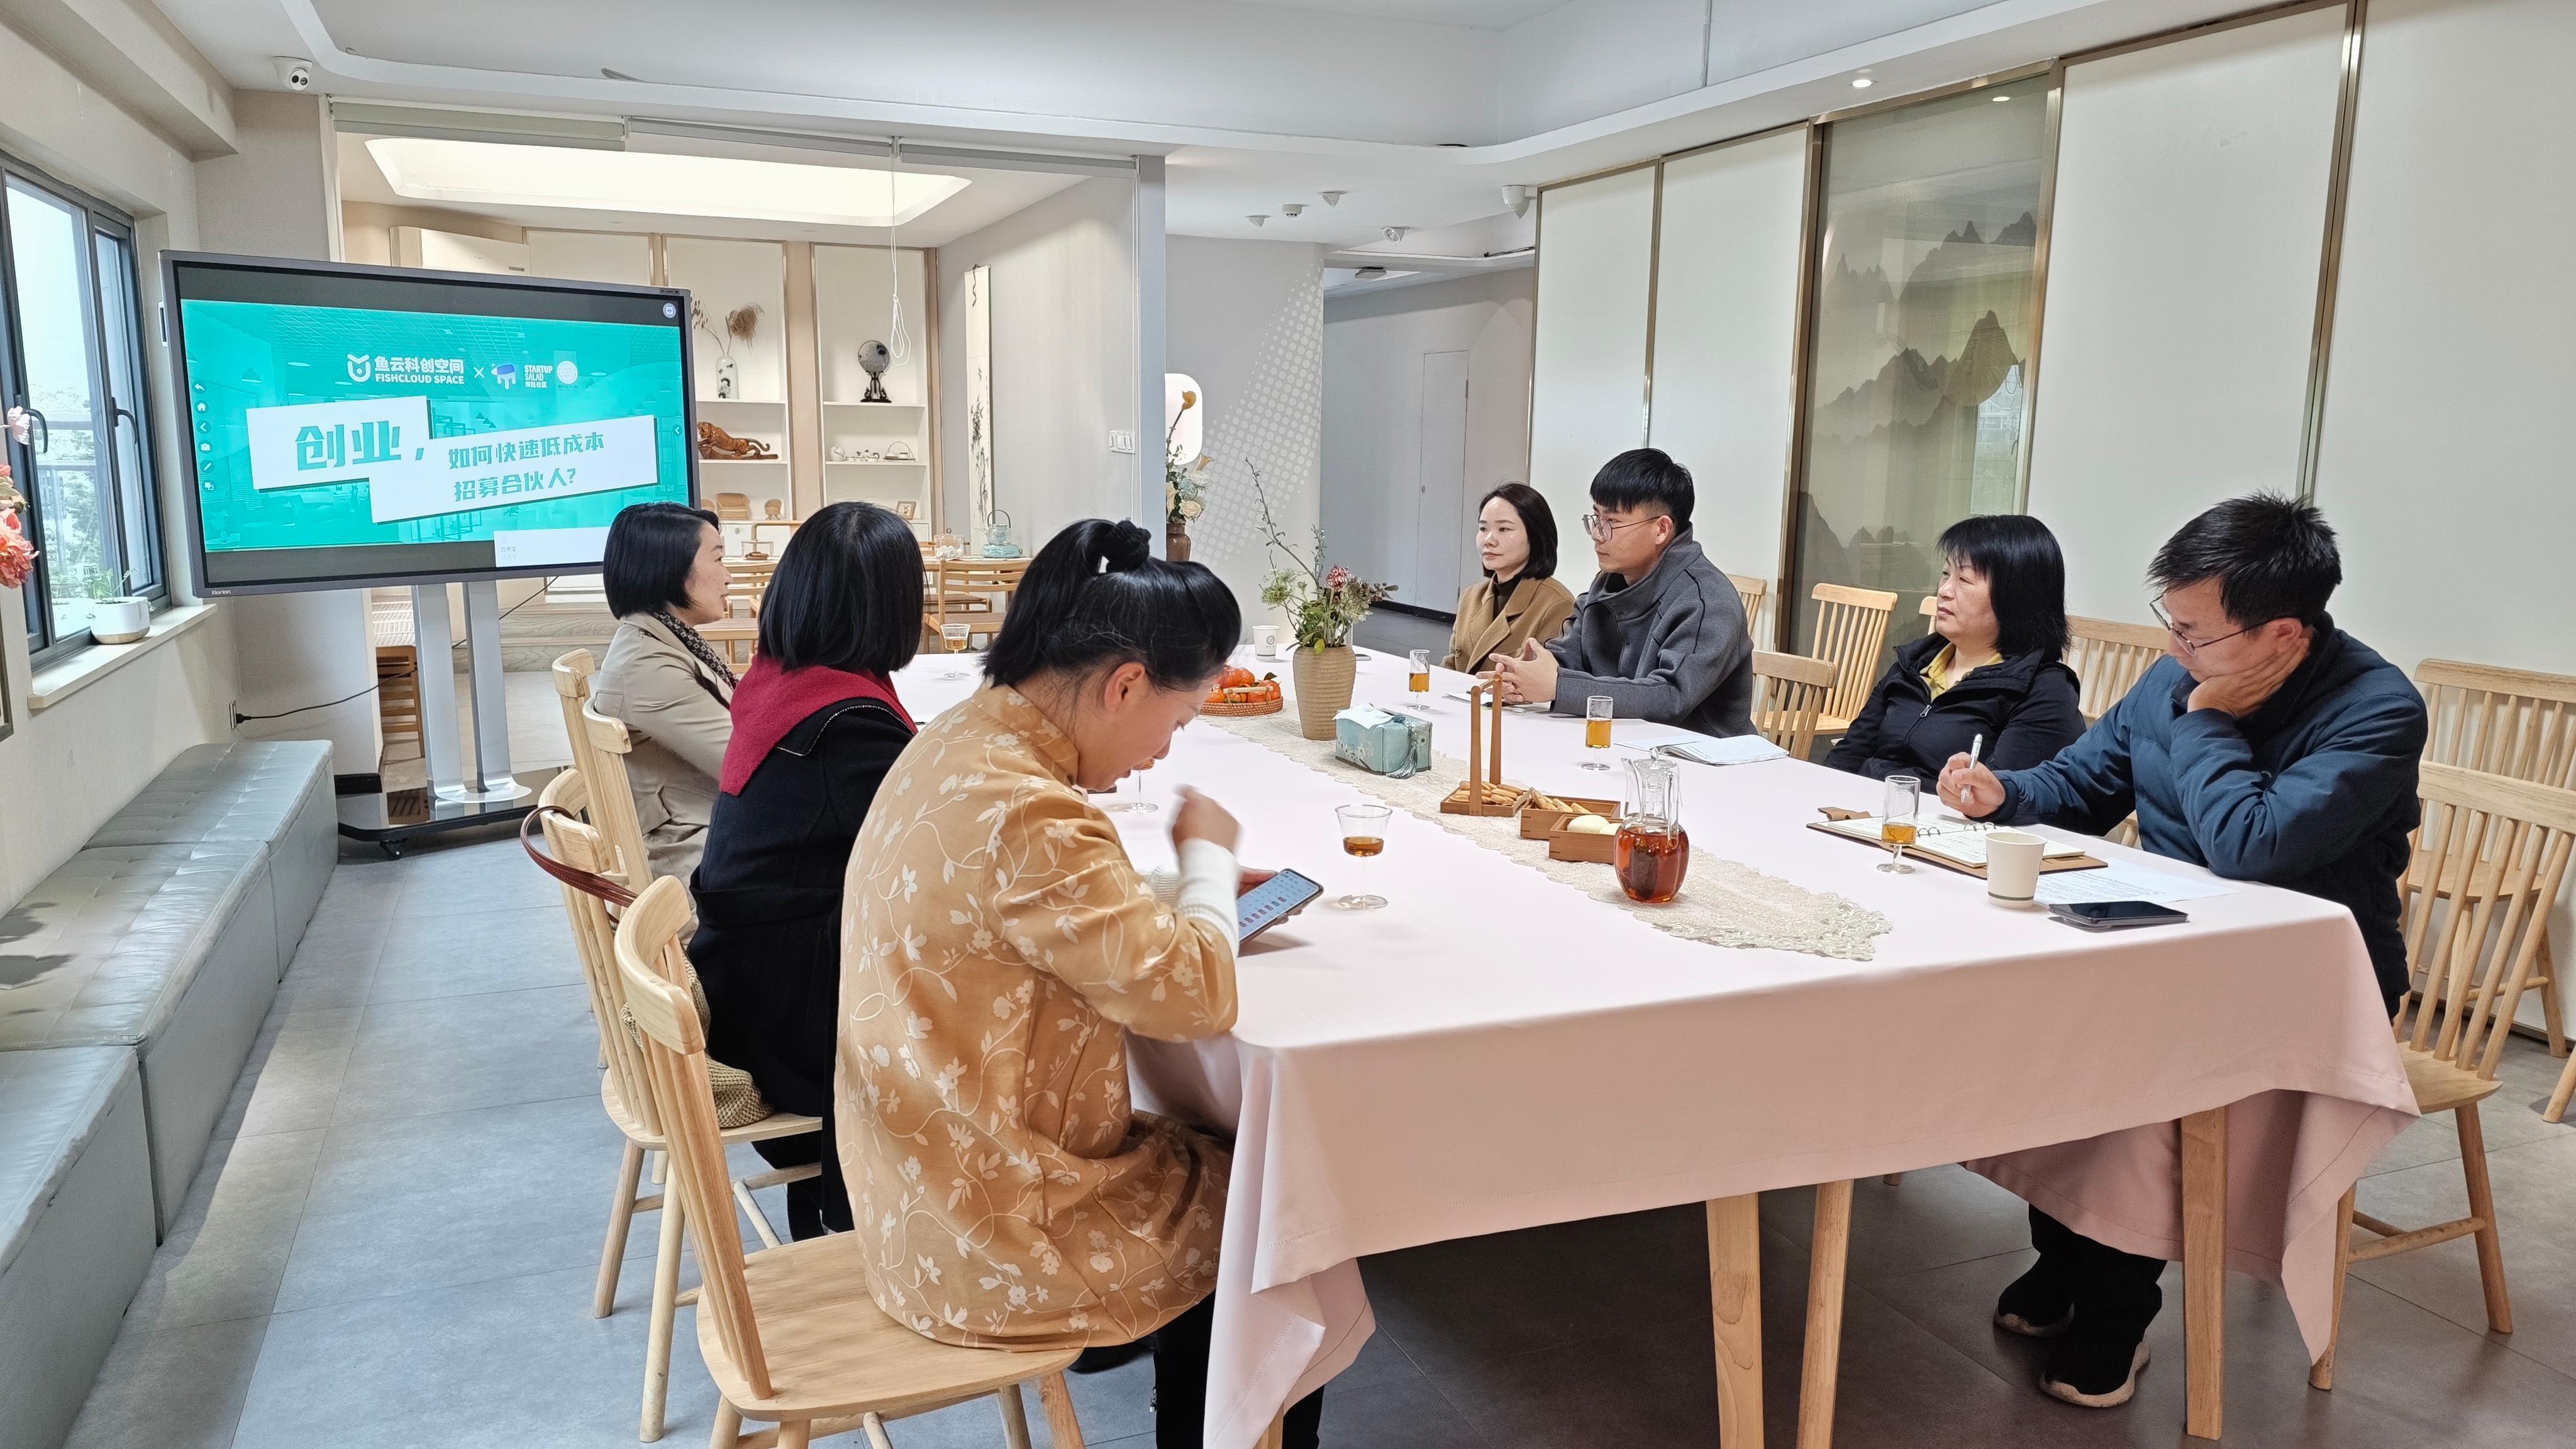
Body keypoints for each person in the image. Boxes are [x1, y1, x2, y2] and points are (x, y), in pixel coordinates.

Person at [836, 518, 1323, 1448]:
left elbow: (1010, 906)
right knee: (1281, 1204)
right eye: (1178, 720)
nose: (1165, 752)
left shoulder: (961, 741)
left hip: (911, 1190)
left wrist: (1170, 893)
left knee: (1225, 1168)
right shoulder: (1034, 812)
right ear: (1125, 685)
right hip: (993, 1233)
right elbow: (1196, 996)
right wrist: (1208, 861)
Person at [1937, 493, 2426, 1409]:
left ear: (2283, 634)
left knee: (2139, 1086)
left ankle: (2117, 1306)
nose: (2174, 649)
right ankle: (2065, 1256)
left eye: (2196, 634)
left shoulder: (2376, 709)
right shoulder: (2178, 673)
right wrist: (2005, 793)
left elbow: (2252, 845)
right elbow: (2086, 781)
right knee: (2047, 1046)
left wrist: (2205, 719)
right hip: (2165, 948)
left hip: (2309, 987)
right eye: (2172, 621)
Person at [689, 502, 921, 1240]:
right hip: (788, 1026)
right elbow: (932, 847)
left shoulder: (783, 683)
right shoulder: (844, 724)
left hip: (744, 979)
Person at [1490, 448, 1753, 737]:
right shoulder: (1608, 581)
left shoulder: (1707, 600)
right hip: (1621, 742)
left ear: (1661, 529)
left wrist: (1558, 686)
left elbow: (1670, 696)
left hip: (1700, 754)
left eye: (1612, 522)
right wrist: (1529, 672)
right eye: (1596, 518)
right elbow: (1570, 654)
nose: (1597, 534)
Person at [1825, 514, 2084, 780]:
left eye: (1965, 580)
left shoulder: (2042, 691)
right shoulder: (1916, 663)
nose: (1944, 591)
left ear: (2017, 596)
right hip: (1868, 803)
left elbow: (1991, 794)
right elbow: (1846, 758)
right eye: (1946, 574)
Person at [592, 501, 738, 879]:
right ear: (671, 568)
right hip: (698, 854)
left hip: (710, 827)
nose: (728, 577)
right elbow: (747, 766)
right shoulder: (648, 666)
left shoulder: (661, 640)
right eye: (718, 559)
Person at [1442, 482, 1577, 673]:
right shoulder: (1470, 596)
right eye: (1483, 529)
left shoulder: (1556, 604)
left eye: (1504, 529)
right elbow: (1450, 669)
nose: (1489, 540)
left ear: (1535, 536)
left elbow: (1546, 681)